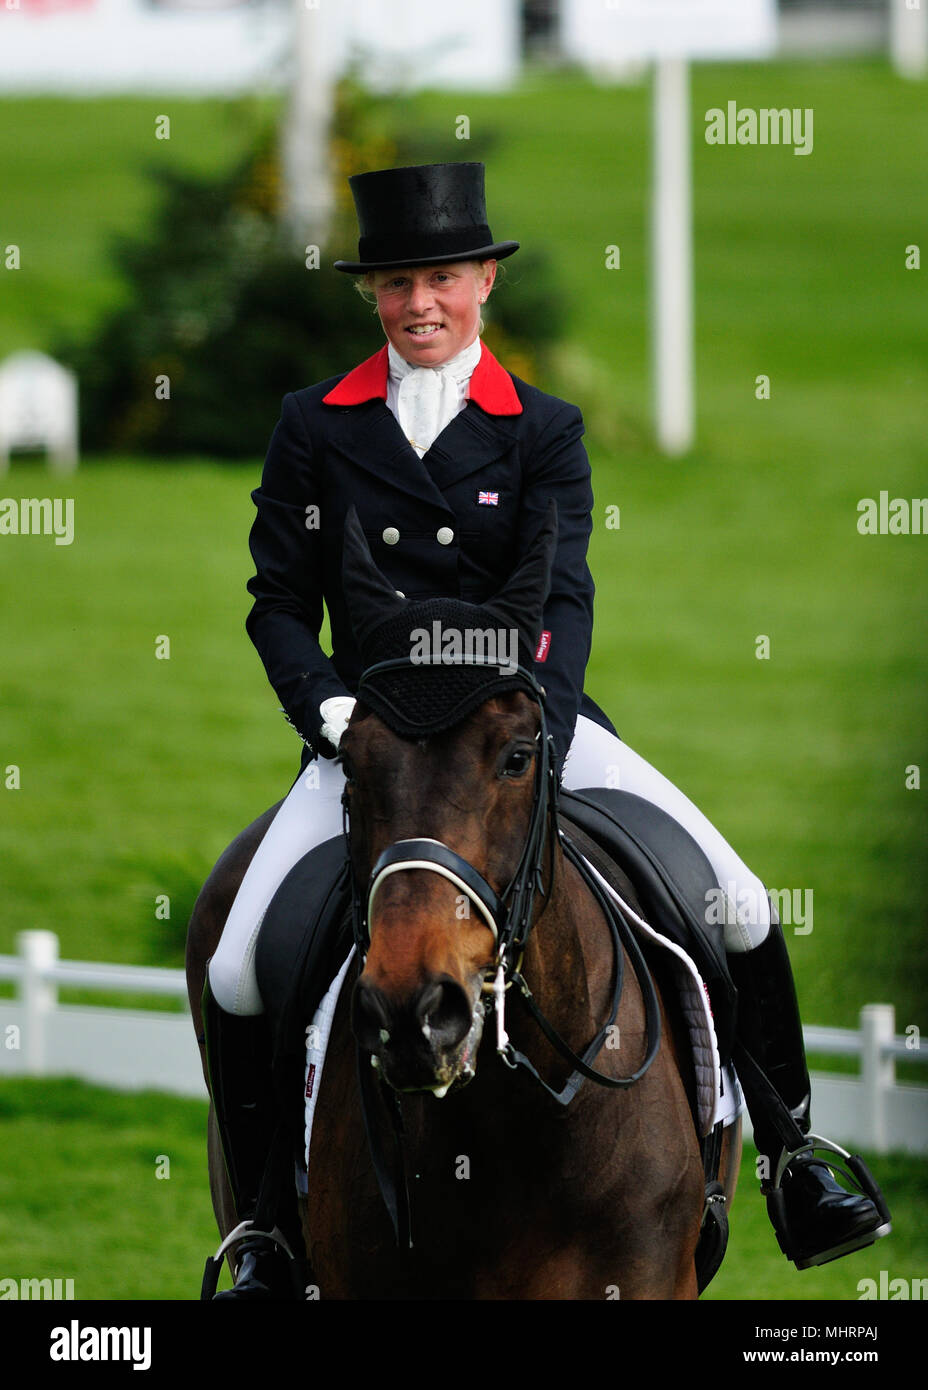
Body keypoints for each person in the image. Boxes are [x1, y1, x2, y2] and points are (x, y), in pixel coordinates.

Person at [202, 161, 888, 1298]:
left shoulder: (542, 431)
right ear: (371, 295)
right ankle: (269, 1232)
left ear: (481, 281)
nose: (418, 303)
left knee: (742, 899)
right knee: (235, 962)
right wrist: (328, 712)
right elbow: (275, 598)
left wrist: (541, 725)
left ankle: (791, 1157)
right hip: (372, 745)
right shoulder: (313, 426)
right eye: (394, 283)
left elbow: (562, 597)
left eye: (439, 278)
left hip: (521, 732)